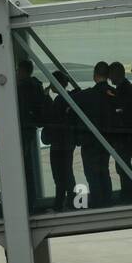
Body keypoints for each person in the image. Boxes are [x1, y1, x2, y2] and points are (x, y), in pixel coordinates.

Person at [75, 61, 115, 207]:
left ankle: (98, 200)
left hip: (90, 141)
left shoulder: (86, 95)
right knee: (104, 169)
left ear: (95, 75)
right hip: (108, 140)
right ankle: (107, 199)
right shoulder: (113, 94)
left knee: (92, 173)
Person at [107, 61, 132, 203]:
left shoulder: (124, 91)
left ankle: (128, 194)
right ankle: (130, 192)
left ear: (115, 74)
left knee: (124, 168)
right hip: (129, 136)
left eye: (111, 75)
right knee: (125, 168)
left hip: (126, 137)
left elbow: (125, 114)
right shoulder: (126, 88)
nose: (109, 79)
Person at [15, 60, 49, 210]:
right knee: (27, 165)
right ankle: (31, 200)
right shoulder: (36, 85)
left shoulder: (23, 87)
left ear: (22, 71)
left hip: (23, 128)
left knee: (23, 166)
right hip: (30, 127)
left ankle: (28, 202)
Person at [44, 71, 79, 211]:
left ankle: (60, 204)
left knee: (59, 176)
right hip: (68, 142)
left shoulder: (59, 100)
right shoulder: (69, 98)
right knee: (67, 173)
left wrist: (45, 98)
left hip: (59, 143)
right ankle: (71, 201)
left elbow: (50, 117)